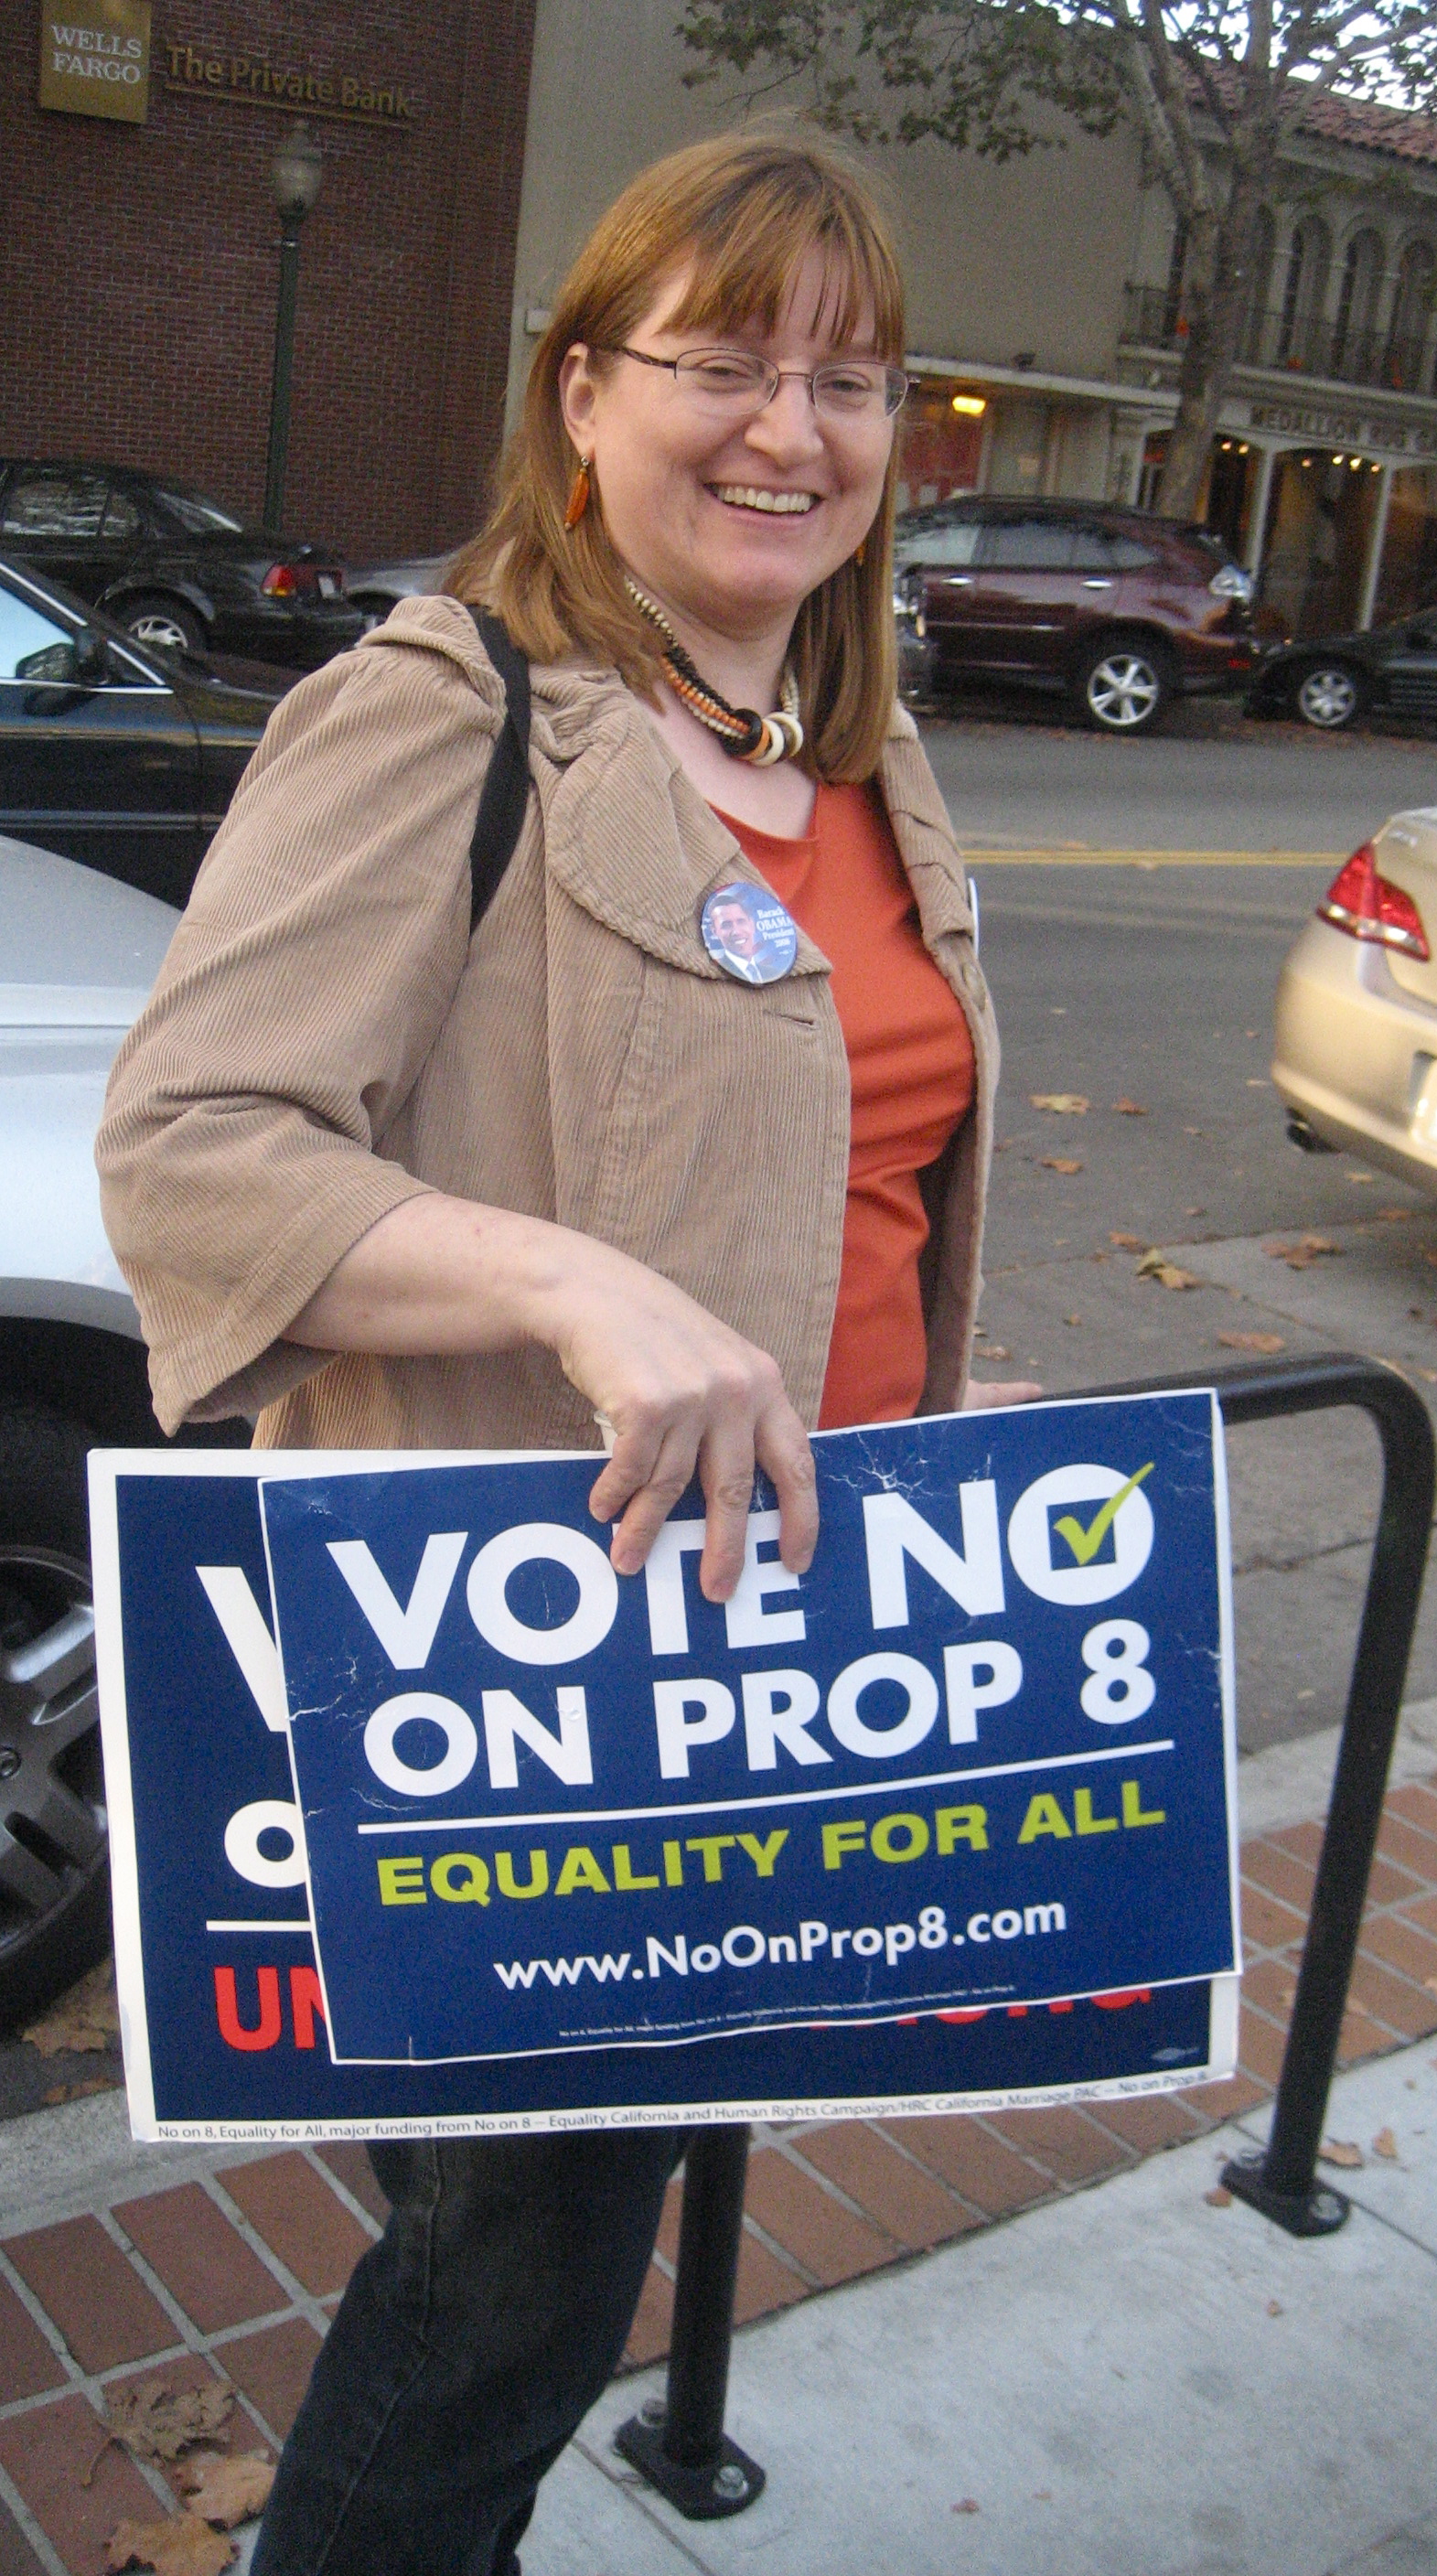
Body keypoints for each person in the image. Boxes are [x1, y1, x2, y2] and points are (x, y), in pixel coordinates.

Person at [97, 129, 1034, 2576]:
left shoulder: (856, 748)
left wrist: (942, 1439)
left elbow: (862, 1167)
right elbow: (197, 1150)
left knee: (546, 2259)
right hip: (526, 1686)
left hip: (790, 1655)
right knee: (502, 2295)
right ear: (583, 390)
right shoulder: (449, 708)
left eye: (848, 377)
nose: (789, 428)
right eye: (723, 359)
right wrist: (573, 1285)